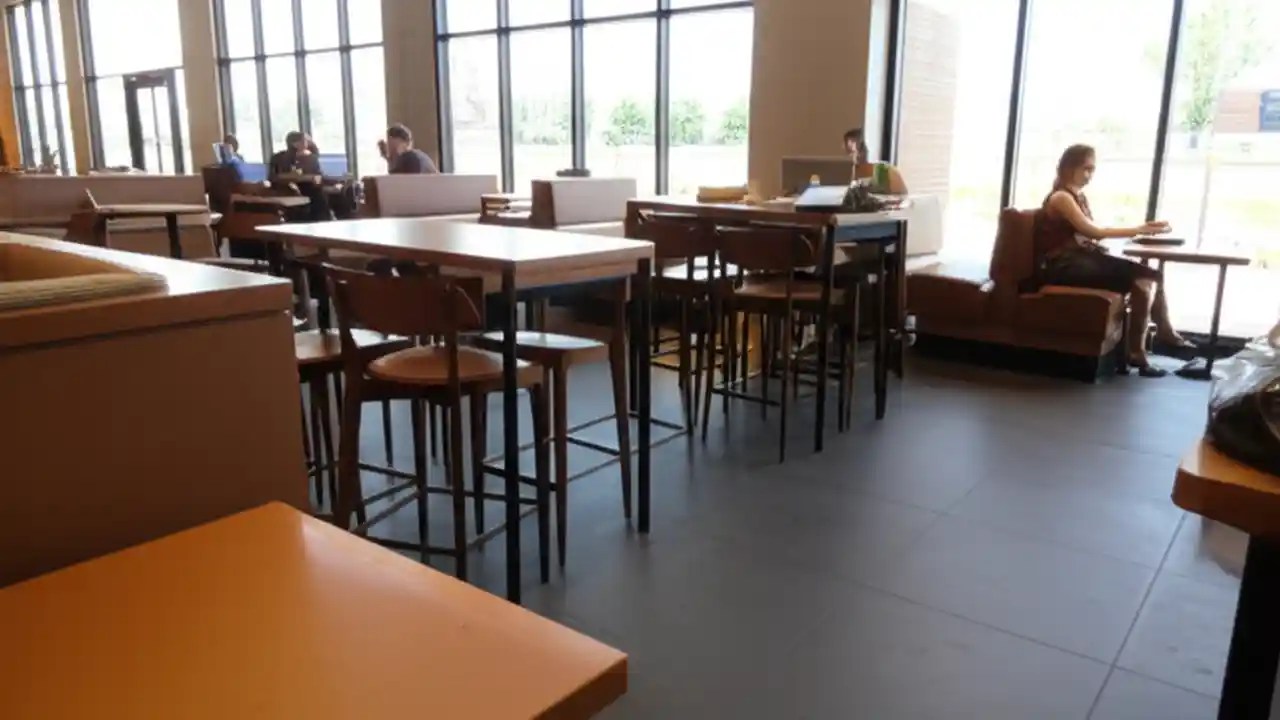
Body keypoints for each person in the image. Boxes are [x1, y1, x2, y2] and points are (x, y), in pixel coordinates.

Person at [1032, 143, 1194, 377]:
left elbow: (1088, 236)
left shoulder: (1079, 197)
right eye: (1085, 169)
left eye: (1092, 170)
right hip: (1062, 266)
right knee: (1145, 278)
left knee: (1149, 278)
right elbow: (1094, 231)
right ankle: (1146, 347)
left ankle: (1156, 340)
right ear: (1069, 167)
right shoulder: (1060, 198)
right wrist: (1140, 229)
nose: (1089, 175)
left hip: (1078, 261)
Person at [842, 127, 908, 194]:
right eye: (851, 152)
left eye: (861, 148)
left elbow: (882, 192)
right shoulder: (856, 169)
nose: (857, 155)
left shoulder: (882, 168)